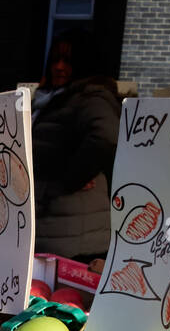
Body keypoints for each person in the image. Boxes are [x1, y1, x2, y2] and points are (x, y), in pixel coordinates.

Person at [30, 33, 121, 260]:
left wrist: (70, 177)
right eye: (55, 60)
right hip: (55, 227)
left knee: (66, 295)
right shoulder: (52, 98)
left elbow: (106, 137)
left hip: (73, 236)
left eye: (67, 61)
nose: (59, 67)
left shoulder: (90, 97)